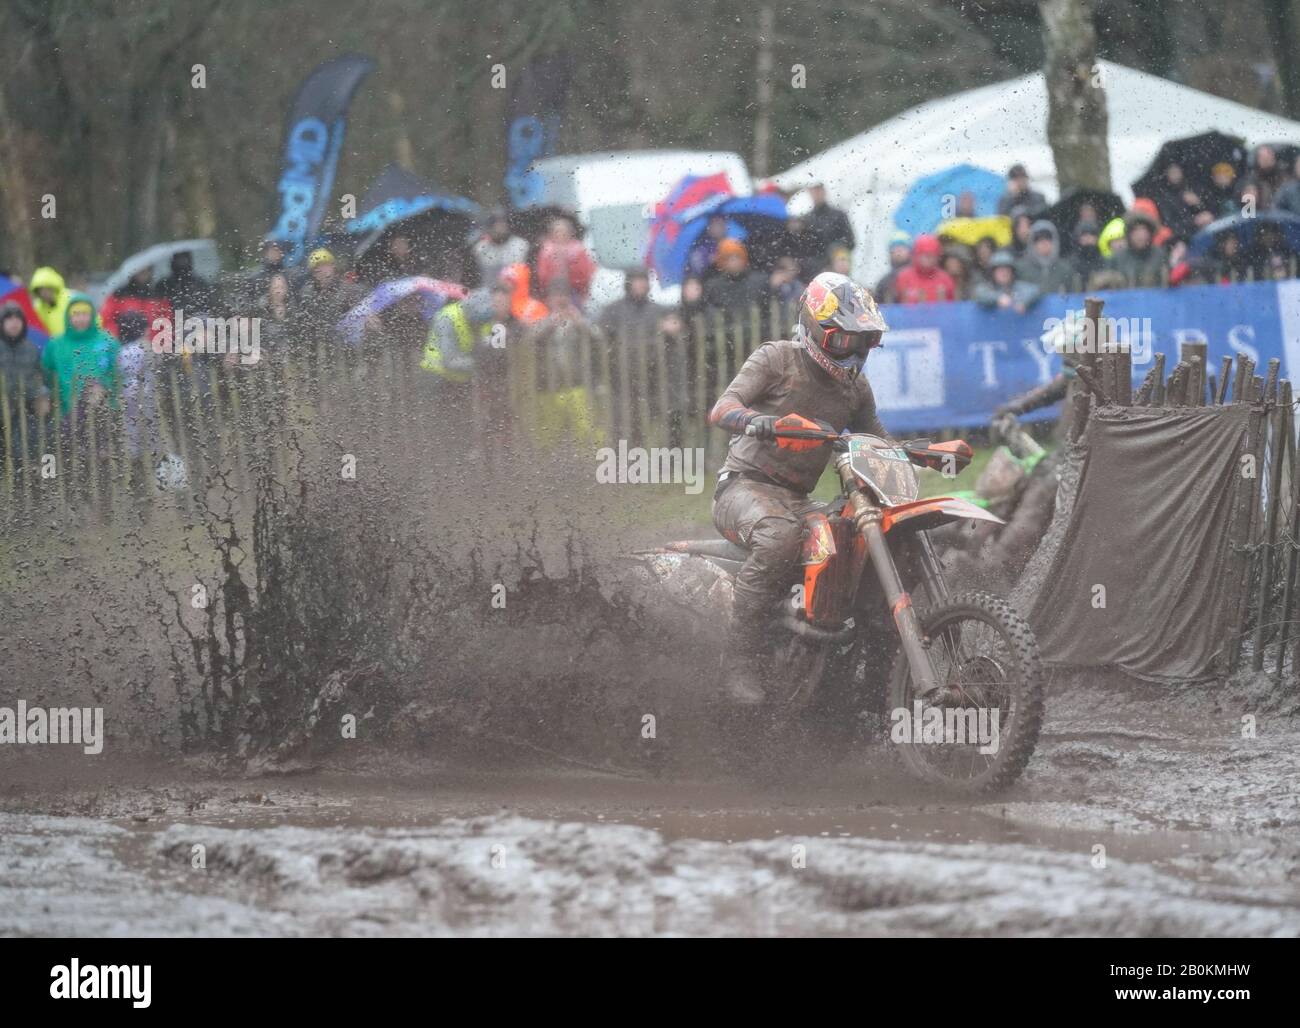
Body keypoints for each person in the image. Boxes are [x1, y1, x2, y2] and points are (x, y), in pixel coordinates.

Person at [708, 271, 889, 704]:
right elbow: (722, 409)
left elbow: (878, 441)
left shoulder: (856, 389)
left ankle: (832, 655)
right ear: (814, 329)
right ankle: (739, 659)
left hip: (797, 497)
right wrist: (763, 423)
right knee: (780, 538)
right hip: (743, 487)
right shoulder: (777, 359)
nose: (854, 354)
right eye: (845, 341)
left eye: (864, 343)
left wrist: (932, 452)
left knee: (846, 540)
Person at [40, 293, 121, 417]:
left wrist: (105, 388)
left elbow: (117, 372)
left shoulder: (107, 341)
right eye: (76, 314)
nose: (81, 319)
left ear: (93, 315)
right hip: (66, 413)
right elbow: (46, 374)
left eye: (85, 314)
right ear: (68, 316)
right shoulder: (56, 344)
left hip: (103, 411)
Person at [0, 300, 51, 468]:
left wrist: (42, 394)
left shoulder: (31, 349)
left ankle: (43, 481)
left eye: (18, 318)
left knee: (38, 448)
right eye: (9, 318)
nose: (14, 322)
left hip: (25, 412)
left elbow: (41, 379)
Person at [295, 249, 365, 339]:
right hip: (320, 337)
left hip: (346, 335)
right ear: (313, 273)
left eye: (325, 265)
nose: (322, 270)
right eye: (317, 267)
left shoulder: (347, 288)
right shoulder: (307, 292)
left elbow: (360, 308)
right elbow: (305, 322)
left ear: (333, 267)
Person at [536, 216, 596, 306]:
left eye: (563, 231)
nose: (560, 234)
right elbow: (542, 274)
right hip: (552, 291)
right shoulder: (546, 250)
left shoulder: (578, 249)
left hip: (575, 291)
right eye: (557, 231)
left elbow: (586, 272)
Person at [99, 267, 171, 340]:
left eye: (146, 272)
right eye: (140, 272)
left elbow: (166, 321)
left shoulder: (158, 296)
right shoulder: (119, 294)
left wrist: (157, 340)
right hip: (122, 342)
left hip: (152, 344)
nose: (143, 276)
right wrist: (115, 335)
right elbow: (106, 318)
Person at [597, 268, 666, 343]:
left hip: (651, 352)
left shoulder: (658, 310)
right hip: (620, 353)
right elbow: (602, 333)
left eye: (644, 280)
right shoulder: (613, 310)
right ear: (628, 283)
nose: (641, 284)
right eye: (637, 281)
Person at [1104, 207, 1167, 287]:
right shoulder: (1117, 258)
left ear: (1150, 233)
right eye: (1136, 231)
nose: (1140, 235)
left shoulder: (1160, 255)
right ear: (1129, 234)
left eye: (1144, 230)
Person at [891, 234, 956, 304]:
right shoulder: (903, 277)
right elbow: (894, 305)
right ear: (916, 254)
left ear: (937, 256)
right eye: (923, 254)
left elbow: (953, 306)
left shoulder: (945, 279)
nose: (927, 258)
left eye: (931, 255)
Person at [472, 209, 529, 286]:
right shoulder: (480, 248)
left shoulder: (521, 245)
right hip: (488, 292)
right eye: (496, 223)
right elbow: (474, 276)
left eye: (502, 222)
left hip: (514, 292)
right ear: (489, 227)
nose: (500, 227)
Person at [1014, 220, 1072, 295]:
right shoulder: (1021, 269)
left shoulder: (1065, 269)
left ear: (1055, 241)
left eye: (1048, 238)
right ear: (1032, 243)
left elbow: (1073, 296)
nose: (1044, 242)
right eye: (1038, 239)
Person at [973, 251, 1038, 313]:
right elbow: (979, 294)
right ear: (993, 273)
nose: (1004, 273)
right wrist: (997, 298)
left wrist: (1024, 302)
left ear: (1012, 272)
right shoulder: (987, 288)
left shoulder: (1019, 286)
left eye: (1007, 270)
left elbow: (1035, 290)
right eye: (1000, 270)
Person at [805, 183, 855, 256]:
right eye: (814, 191)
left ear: (824, 192)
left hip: (836, 261)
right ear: (810, 193)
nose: (817, 194)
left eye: (819, 190)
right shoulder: (806, 219)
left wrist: (835, 248)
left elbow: (850, 241)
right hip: (815, 264)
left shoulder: (839, 215)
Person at [29, 266, 71, 337]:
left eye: (47, 289)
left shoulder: (70, 299)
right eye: (41, 290)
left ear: (54, 288)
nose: (44, 293)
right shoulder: (37, 307)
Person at [874, 231, 912, 302]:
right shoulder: (884, 283)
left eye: (903, 246)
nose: (898, 250)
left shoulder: (919, 278)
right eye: (894, 246)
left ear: (910, 251)